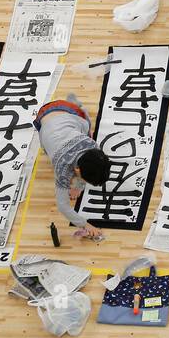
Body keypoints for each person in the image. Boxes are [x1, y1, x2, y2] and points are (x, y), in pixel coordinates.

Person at [34, 97, 109, 240]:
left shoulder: (94, 148)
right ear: (78, 170)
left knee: (85, 126)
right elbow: (63, 206)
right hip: (44, 114)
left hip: (70, 112)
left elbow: (89, 169)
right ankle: (77, 104)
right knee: (47, 148)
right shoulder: (61, 169)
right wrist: (85, 225)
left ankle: (77, 104)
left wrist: (78, 187)